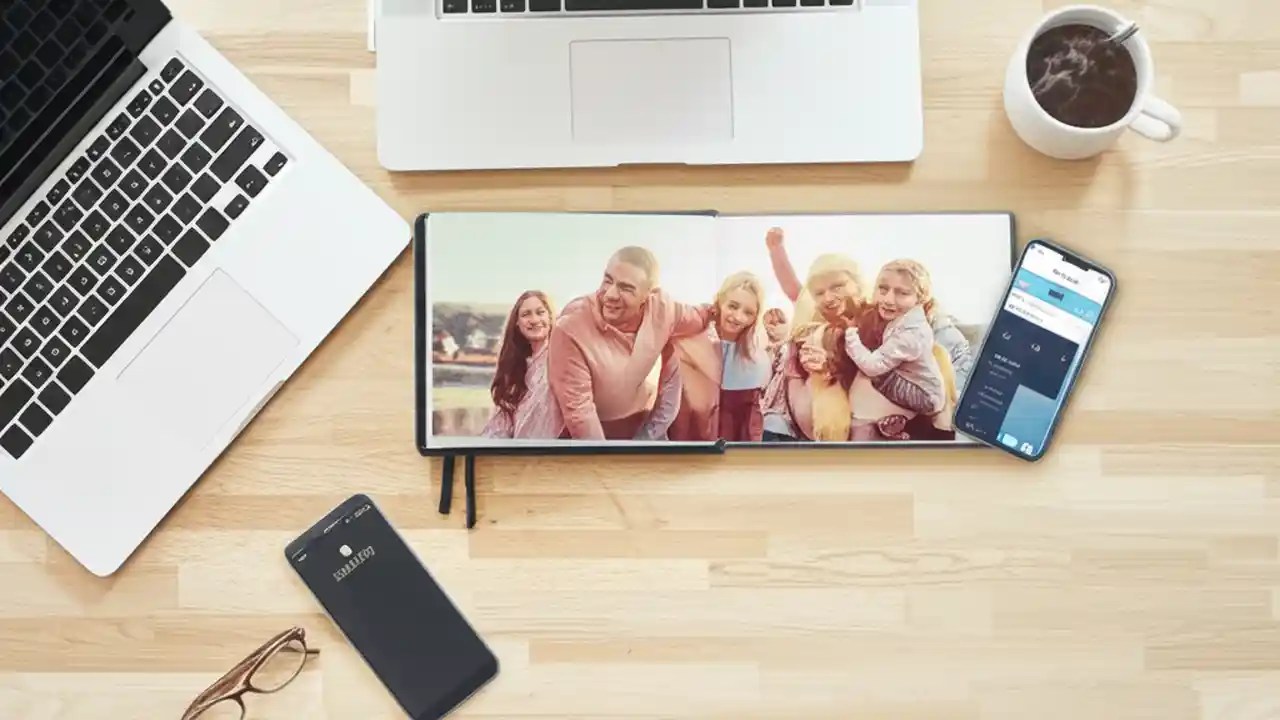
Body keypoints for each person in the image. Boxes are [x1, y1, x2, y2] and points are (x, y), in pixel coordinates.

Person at [547, 246, 713, 440]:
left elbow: (700, 316)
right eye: (607, 280)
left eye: (626, 288)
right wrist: (610, 464)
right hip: (588, 437)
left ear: (649, 295)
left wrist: (721, 310)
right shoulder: (571, 328)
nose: (610, 294)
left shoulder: (663, 309)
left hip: (644, 427)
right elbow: (580, 414)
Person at [760, 248, 870, 442]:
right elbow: (798, 400)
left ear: (858, 284)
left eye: (837, 286)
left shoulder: (877, 323)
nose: (828, 298)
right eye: (819, 293)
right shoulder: (807, 335)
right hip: (805, 435)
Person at [842, 260, 953, 441]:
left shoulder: (912, 334)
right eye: (883, 289)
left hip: (924, 396)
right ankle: (894, 425)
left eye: (902, 293)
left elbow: (872, 366)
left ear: (920, 298)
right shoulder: (903, 318)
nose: (888, 299)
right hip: (917, 385)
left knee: (874, 374)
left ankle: (903, 424)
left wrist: (851, 336)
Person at [669, 272, 771, 442]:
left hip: (733, 448)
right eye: (732, 306)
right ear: (720, 302)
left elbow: (751, 422)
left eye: (748, 313)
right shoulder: (691, 341)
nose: (738, 317)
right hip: (691, 440)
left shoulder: (756, 359)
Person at [480, 291, 565, 439]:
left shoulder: (563, 359)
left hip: (555, 451)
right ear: (517, 323)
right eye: (526, 314)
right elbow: (501, 423)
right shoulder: (514, 367)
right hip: (518, 453)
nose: (534, 320)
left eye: (540, 313)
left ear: (550, 317)